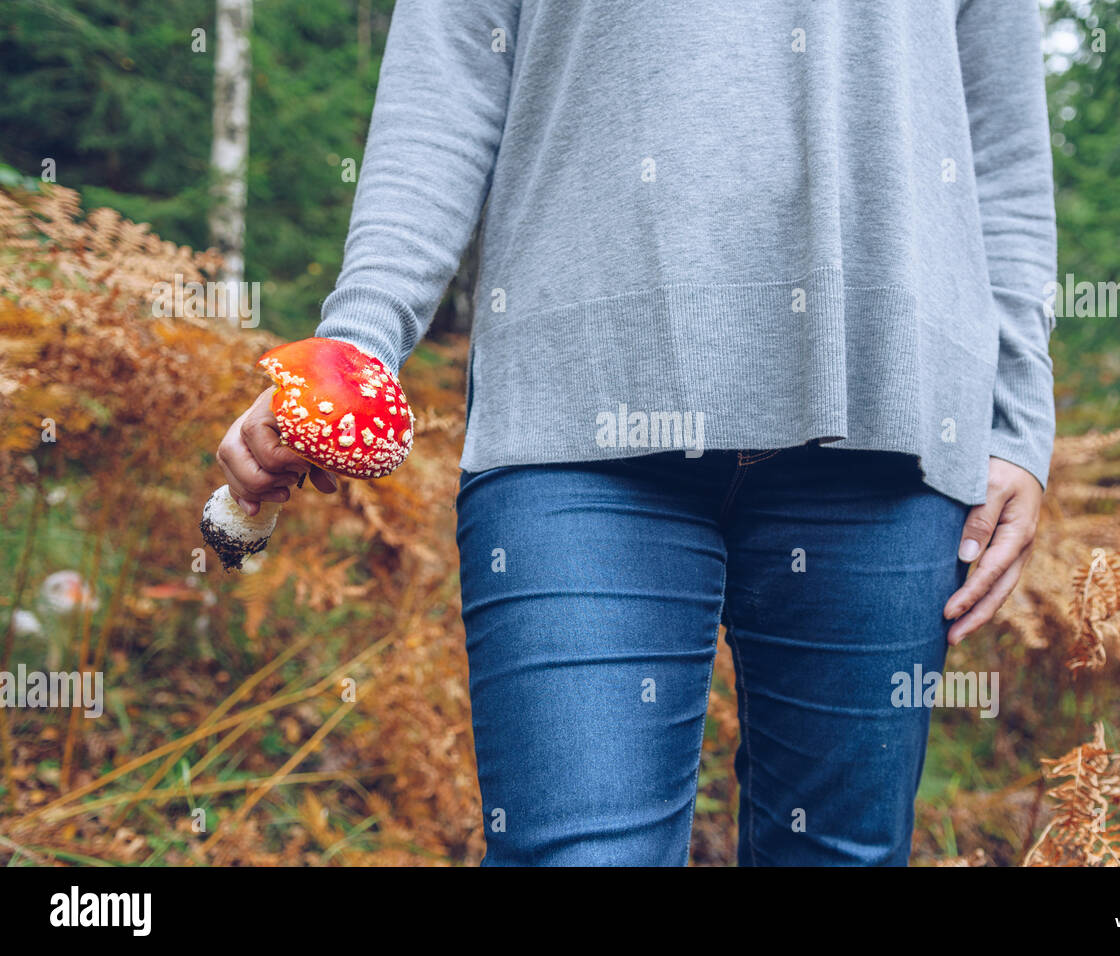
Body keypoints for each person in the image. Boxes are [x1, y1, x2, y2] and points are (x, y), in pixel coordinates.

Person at [216, 0, 1056, 866]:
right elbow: (446, 85)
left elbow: (1000, 149)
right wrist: (351, 353)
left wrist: (1016, 418)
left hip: (886, 413)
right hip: (573, 414)